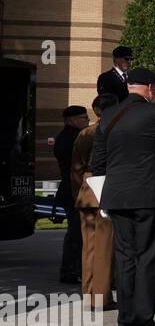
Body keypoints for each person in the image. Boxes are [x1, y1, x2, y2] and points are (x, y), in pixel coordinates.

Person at [88, 67, 155, 326]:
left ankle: (125, 322)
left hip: (115, 196)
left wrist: (103, 197)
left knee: (125, 259)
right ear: (150, 89)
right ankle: (144, 322)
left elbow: (97, 163)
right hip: (146, 196)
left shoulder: (109, 116)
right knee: (148, 258)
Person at [72, 94, 117, 310]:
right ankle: (102, 297)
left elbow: (76, 168)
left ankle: (88, 294)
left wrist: (78, 192)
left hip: (86, 190)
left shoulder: (84, 133)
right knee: (104, 249)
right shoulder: (112, 131)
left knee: (88, 248)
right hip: (104, 189)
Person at [54, 105, 89, 285]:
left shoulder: (64, 137)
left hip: (69, 188)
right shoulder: (73, 138)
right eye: (83, 118)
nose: (87, 120)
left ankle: (72, 269)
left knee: (76, 232)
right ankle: (70, 270)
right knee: (76, 232)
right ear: (72, 120)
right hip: (74, 189)